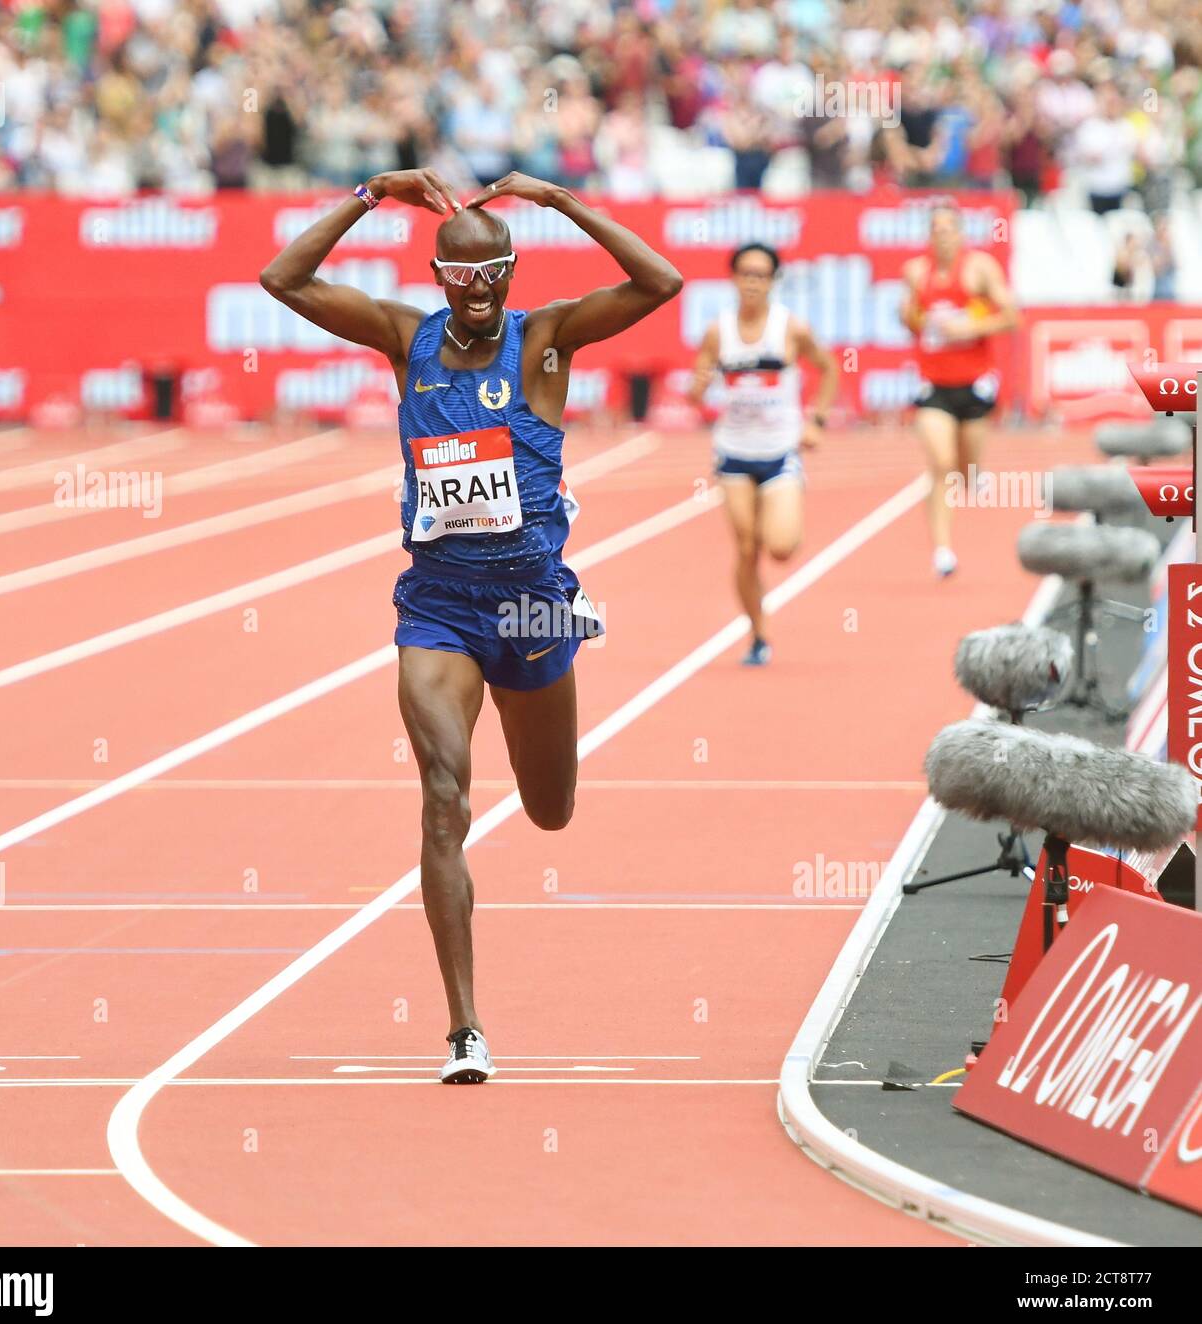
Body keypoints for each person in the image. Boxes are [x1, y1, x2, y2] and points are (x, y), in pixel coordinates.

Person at [260, 168, 682, 1083]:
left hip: (533, 605)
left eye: (497, 275)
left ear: (513, 274)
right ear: (442, 279)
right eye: (465, 279)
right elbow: (283, 281)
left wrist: (563, 204)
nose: (482, 294)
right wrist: (370, 193)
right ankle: (464, 1029)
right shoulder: (403, 339)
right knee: (444, 796)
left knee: (550, 810)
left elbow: (661, 284)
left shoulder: (547, 340)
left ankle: (539, 766)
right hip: (439, 608)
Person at [688, 243, 837, 665]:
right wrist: (698, 386)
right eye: (745, 274)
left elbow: (828, 369)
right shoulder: (719, 331)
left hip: (779, 451)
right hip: (733, 453)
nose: (752, 283)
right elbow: (696, 385)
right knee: (747, 547)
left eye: (761, 275)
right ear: (733, 279)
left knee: (783, 547)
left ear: (772, 281)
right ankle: (758, 633)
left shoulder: (791, 328)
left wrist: (817, 421)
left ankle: (760, 625)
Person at [901, 201, 1017, 578]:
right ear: (929, 236)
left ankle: (973, 472)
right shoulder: (916, 273)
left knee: (966, 469)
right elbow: (909, 319)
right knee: (940, 465)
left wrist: (970, 327)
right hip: (933, 383)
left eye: (949, 230)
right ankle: (942, 551)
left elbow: (1013, 317)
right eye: (936, 230)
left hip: (973, 383)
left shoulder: (979, 269)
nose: (943, 237)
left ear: (961, 234)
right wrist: (921, 319)